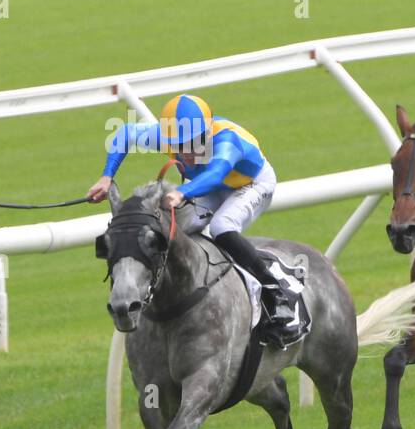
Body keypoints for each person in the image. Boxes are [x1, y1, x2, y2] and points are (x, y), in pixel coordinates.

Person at [87, 93, 304, 346]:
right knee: (179, 230)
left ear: (206, 134)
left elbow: (215, 174)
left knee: (223, 226)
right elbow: (123, 134)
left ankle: (275, 291)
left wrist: (182, 192)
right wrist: (106, 177)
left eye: (191, 144)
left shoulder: (226, 140)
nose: (185, 153)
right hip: (210, 185)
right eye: (178, 146)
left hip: (250, 184)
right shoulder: (169, 137)